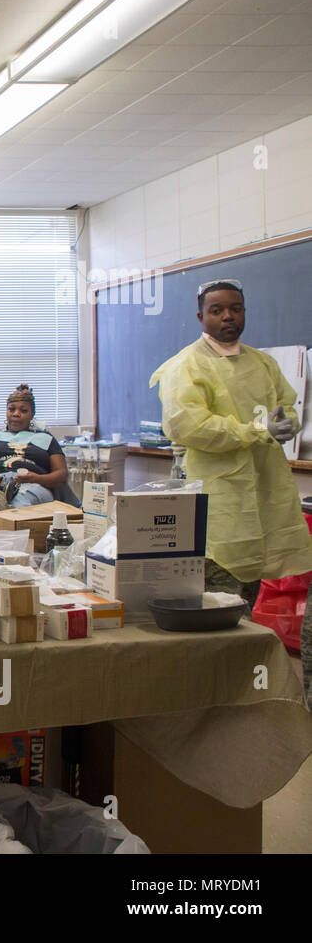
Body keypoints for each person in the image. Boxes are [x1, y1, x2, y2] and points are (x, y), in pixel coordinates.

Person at [151, 279, 312, 706]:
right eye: (218, 310)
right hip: (217, 502)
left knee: (248, 603)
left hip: (264, 494)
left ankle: (238, 693)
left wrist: (287, 423)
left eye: (236, 309)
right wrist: (257, 431)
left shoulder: (262, 364)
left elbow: (288, 407)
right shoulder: (186, 366)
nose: (228, 317)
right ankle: (204, 697)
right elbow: (188, 426)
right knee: (216, 605)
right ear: (201, 316)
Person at [0, 385, 69, 534]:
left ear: (32, 414)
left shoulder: (46, 438)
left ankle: (4, 518)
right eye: (11, 409)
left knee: (22, 497)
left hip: (31, 484)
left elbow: (61, 474)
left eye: (23, 410)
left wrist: (37, 479)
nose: (16, 414)